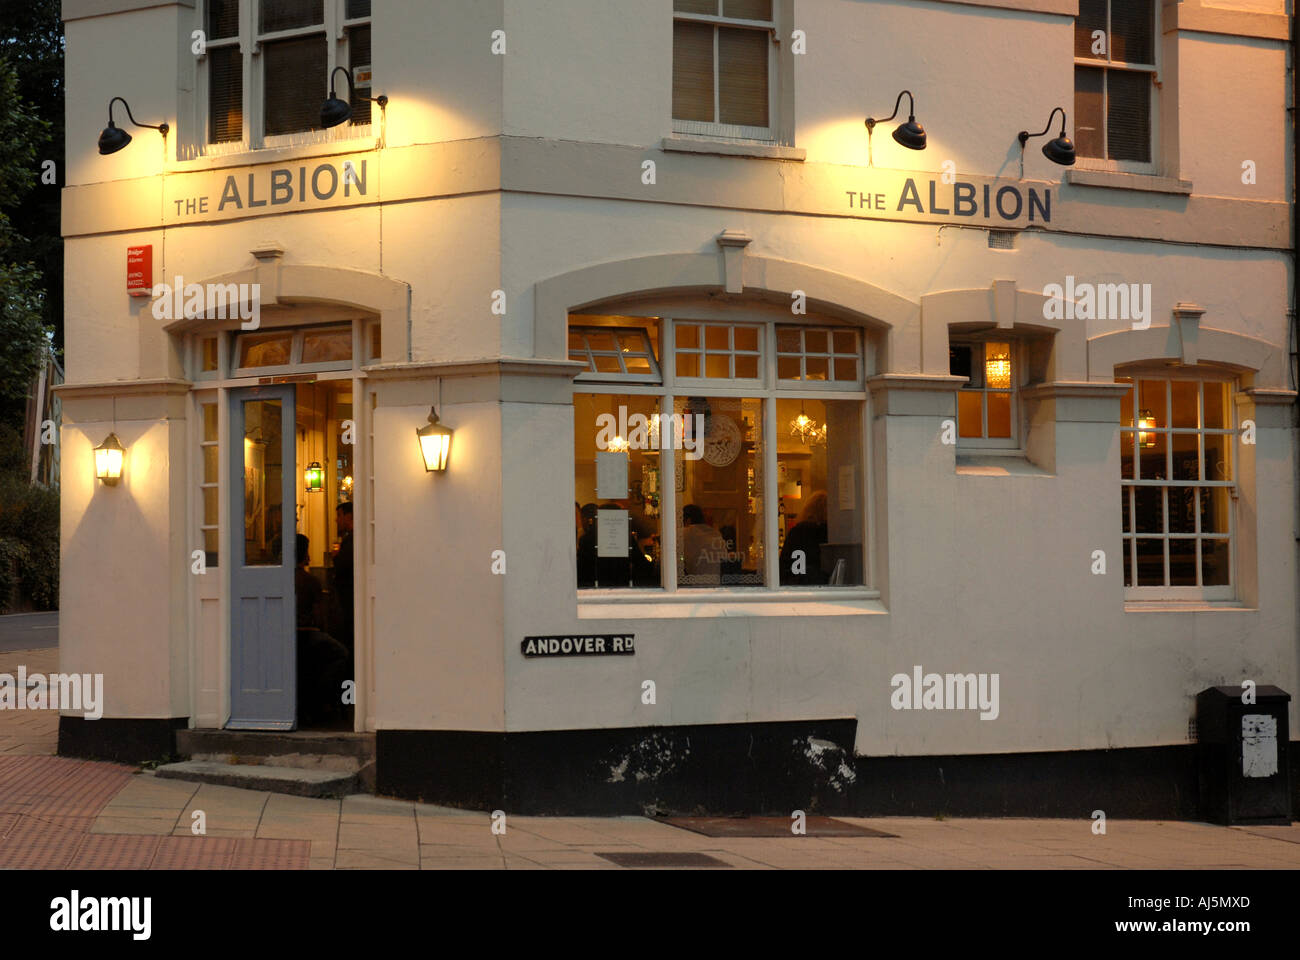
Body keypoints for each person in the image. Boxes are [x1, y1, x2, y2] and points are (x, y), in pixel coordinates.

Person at [296, 534, 350, 727]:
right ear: (304, 555)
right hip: (308, 634)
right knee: (342, 653)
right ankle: (322, 697)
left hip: (289, 637)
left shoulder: (282, 579)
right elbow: (321, 619)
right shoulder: (310, 582)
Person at [780, 491, 829, 585]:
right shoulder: (829, 533)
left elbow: (783, 565)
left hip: (796, 583)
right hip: (821, 584)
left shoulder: (796, 532)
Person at [680, 504, 726, 584]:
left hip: (697, 586)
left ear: (688, 521)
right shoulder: (716, 533)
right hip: (719, 584)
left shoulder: (686, 532)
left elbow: (678, 558)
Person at [331, 501, 355, 656]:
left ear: (349, 516)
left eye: (339, 516)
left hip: (350, 598)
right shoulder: (350, 539)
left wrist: (336, 558)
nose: (336, 520)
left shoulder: (352, 540)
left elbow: (344, 566)